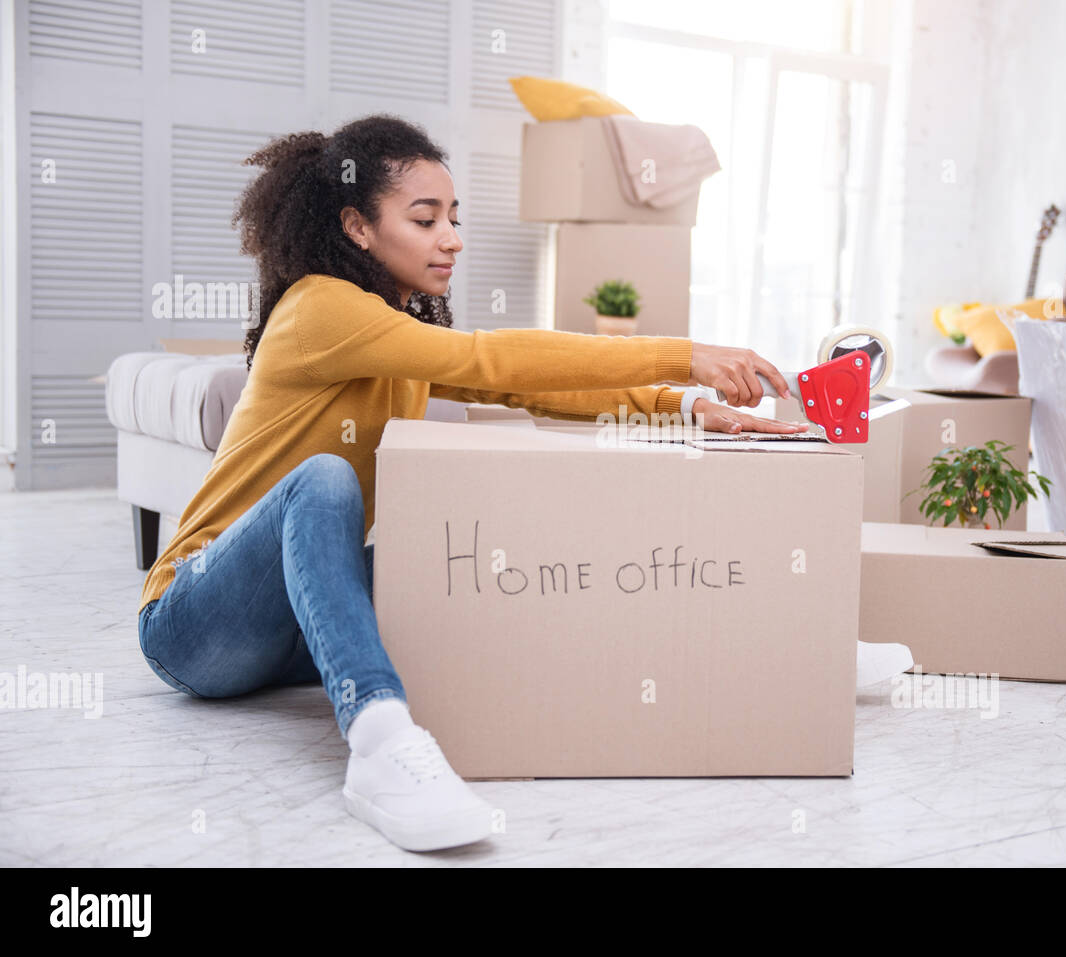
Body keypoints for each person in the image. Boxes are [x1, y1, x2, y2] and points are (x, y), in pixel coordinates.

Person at [136, 113, 808, 853]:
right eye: (425, 219)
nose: (451, 237)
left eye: (454, 218)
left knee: (464, 542)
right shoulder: (320, 306)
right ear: (357, 227)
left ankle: (776, 648)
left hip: (285, 634)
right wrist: (683, 354)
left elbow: (536, 390)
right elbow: (496, 361)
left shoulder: (396, 327)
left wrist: (685, 407)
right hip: (193, 623)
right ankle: (381, 745)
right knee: (322, 481)